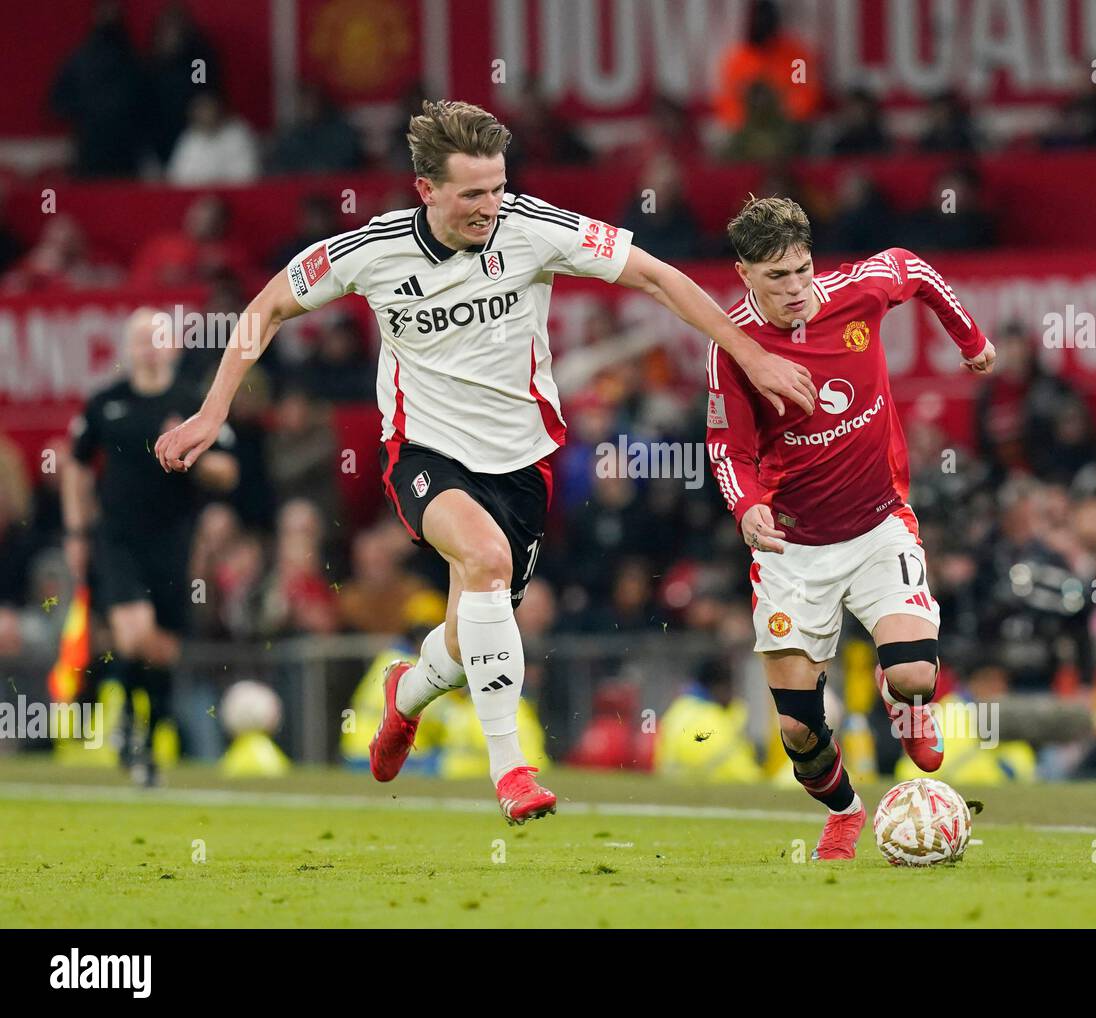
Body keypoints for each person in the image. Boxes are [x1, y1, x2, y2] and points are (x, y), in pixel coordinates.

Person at [153, 99, 815, 826]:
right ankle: (512, 773)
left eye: (498, 187)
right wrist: (213, 411)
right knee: (486, 560)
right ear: (426, 191)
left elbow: (658, 278)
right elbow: (267, 306)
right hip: (425, 454)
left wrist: (749, 353)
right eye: (472, 193)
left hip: (523, 466)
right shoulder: (372, 250)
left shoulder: (533, 228)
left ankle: (406, 695)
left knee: (470, 638)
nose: (490, 206)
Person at [705, 195, 995, 859]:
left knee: (915, 671)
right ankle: (844, 813)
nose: (796, 289)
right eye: (776, 277)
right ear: (745, 275)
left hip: (878, 525)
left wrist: (971, 341)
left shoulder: (856, 291)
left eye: (802, 269)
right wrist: (746, 506)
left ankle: (909, 706)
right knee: (800, 729)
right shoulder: (733, 349)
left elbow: (916, 269)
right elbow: (727, 448)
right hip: (792, 547)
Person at [63, 308, 238, 784]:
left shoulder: (194, 405)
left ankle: (142, 735)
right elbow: (76, 465)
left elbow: (228, 471)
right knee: (135, 635)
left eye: (158, 336)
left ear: (173, 345)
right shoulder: (105, 404)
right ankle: (134, 733)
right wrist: (78, 531)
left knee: (162, 649)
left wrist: (195, 456)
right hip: (118, 539)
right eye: (140, 337)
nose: (149, 346)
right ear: (127, 347)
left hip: (175, 542)